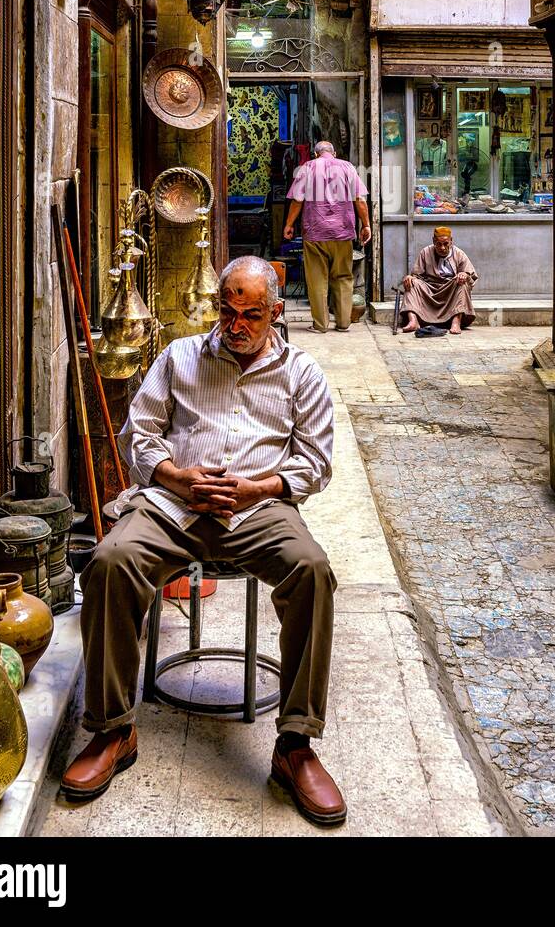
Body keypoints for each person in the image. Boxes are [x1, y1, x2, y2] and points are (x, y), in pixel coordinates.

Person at [60, 257, 346, 827]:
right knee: (110, 560)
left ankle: (295, 746)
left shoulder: (301, 373)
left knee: (312, 569)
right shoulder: (180, 357)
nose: (236, 325)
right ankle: (113, 729)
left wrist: (254, 488)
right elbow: (138, 434)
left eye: (251, 315)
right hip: (175, 504)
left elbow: (315, 463)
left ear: (275, 312)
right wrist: (175, 477)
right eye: (227, 311)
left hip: (258, 508)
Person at [283, 140, 371, 334]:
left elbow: (298, 200)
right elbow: (360, 199)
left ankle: (320, 324)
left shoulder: (307, 168)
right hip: (343, 232)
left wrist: (289, 224)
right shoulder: (347, 167)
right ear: (335, 152)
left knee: (317, 279)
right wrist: (366, 225)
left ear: (315, 154)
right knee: (343, 277)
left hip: (315, 233)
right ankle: (343, 323)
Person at [400, 226, 477, 335]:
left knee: (462, 283)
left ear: (451, 241)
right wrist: (410, 277)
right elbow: (416, 275)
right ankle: (413, 321)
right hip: (430, 289)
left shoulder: (459, 254)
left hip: (450, 290)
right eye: (439, 244)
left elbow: (471, 277)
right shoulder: (425, 252)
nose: (442, 248)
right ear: (433, 241)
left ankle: (456, 322)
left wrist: (464, 274)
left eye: (446, 244)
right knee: (411, 283)